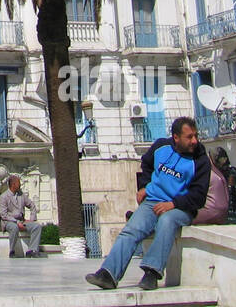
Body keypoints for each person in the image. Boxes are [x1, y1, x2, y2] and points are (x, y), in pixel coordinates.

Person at [86, 116, 210, 291]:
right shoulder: (161, 147)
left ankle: (152, 272)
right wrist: (144, 186)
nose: (194, 141)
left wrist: (173, 204)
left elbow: (199, 196)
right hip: (153, 201)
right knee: (131, 229)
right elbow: (146, 163)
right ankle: (108, 274)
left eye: (195, 136)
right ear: (176, 137)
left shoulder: (200, 160)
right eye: (189, 137)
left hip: (181, 208)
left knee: (167, 221)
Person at [0, 175, 42, 257]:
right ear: (13, 184)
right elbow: (3, 215)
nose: (20, 184)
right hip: (8, 221)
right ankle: (12, 251)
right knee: (14, 228)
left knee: (37, 226)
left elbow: (32, 205)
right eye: (19, 183)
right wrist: (17, 222)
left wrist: (32, 219)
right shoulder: (3, 197)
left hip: (22, 220)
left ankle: (32, 250)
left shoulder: (21, 195)